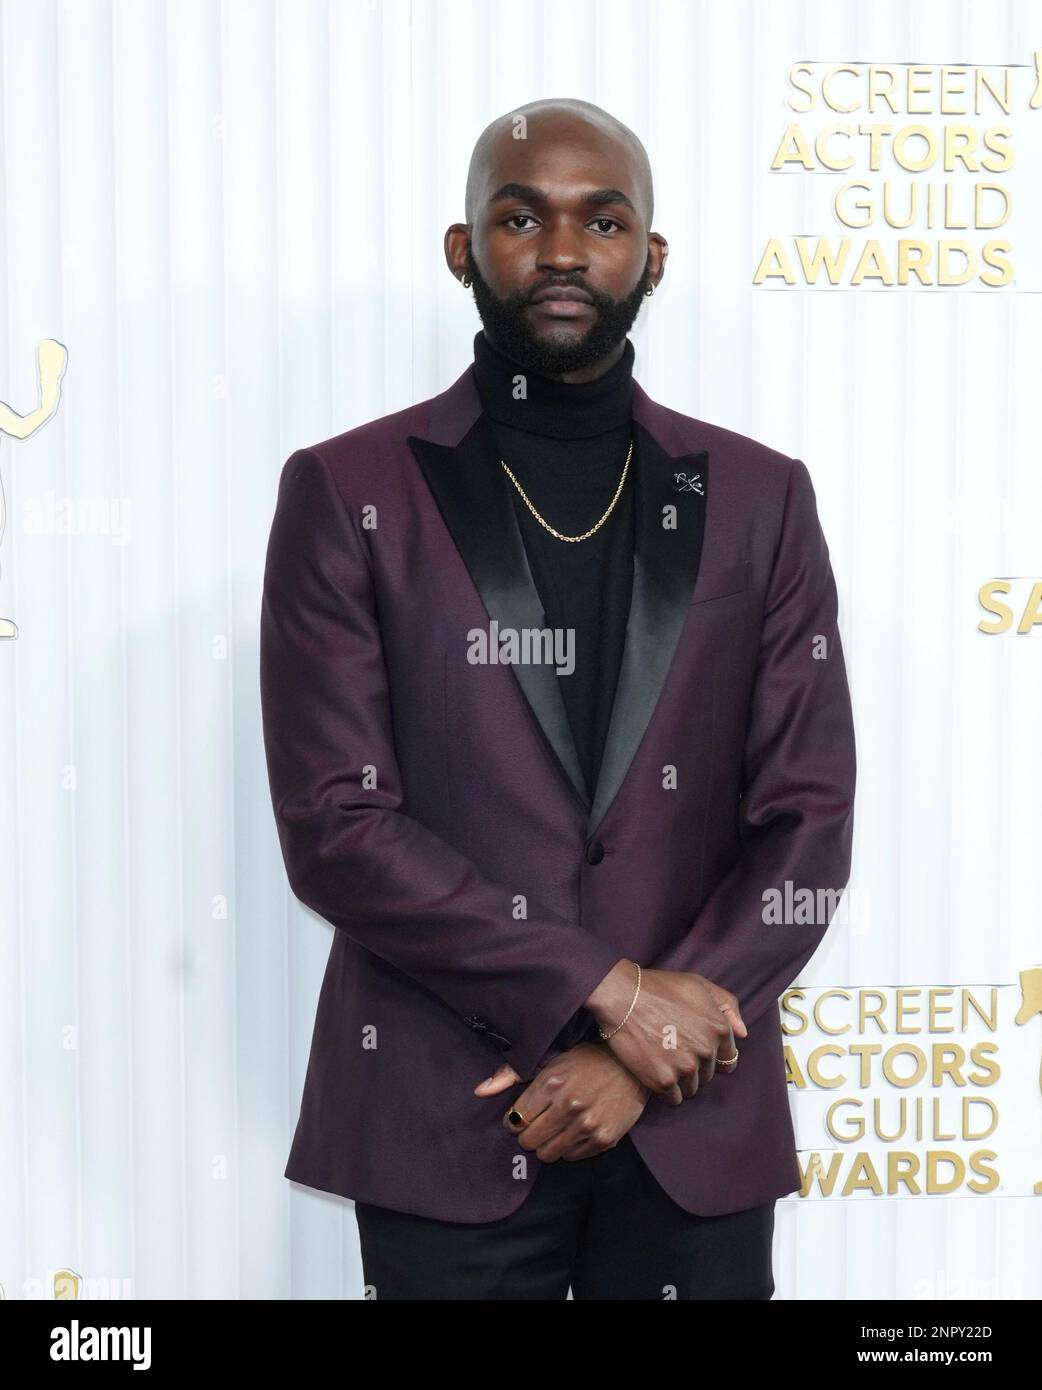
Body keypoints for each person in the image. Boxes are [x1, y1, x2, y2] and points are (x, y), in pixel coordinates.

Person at [259, 97, 856, 1300]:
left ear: (654, 256)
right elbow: (336, 826)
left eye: (606, 219)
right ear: (462, 247)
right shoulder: (346, 489)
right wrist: (608, 992)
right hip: (450, 1113)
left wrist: (644, 1055)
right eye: (522, 216)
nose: (566, 250)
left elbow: (805, 817)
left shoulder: (757, 495)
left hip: (692, 1123)